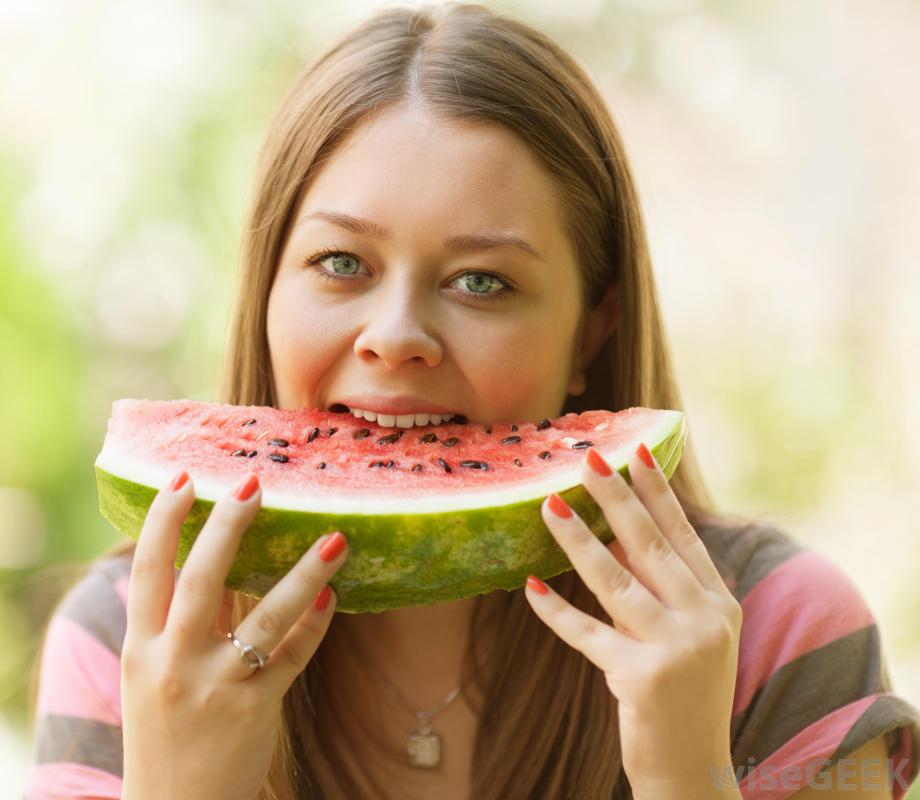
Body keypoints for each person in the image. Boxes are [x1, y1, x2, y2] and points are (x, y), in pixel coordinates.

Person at [22, 3, 920, 799]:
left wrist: (690, 780)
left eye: (482, 281)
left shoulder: (779, 632)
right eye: (342, 264)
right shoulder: (128, 645)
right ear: (265, 293)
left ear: (592, 333)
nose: (396, 334)